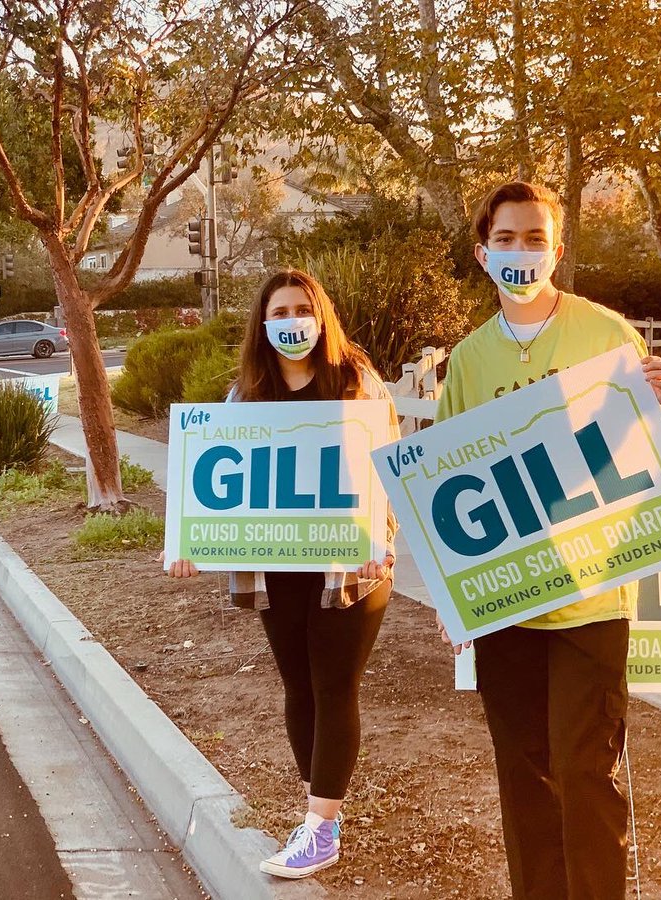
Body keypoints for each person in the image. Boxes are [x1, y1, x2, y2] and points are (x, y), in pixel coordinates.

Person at [435, 181, 661, 900]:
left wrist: (653, 397)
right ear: (482, 254)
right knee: (525, 776)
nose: (520, 251)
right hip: (506, 607)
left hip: (591, 602)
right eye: (505, 239)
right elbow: (445, 481)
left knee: (584, 770)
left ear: (557, 251)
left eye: (535, 238)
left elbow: (644, 457)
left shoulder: (606, 335)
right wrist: (456, 600)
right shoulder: (468, 363)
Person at [167, 269, 398, 880]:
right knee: (298, 688)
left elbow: (390, 466)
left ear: (319, 317)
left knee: (333, 686)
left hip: (350, 569)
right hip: (277, 571)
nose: (292, 321)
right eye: (280, 311)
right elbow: (217, 486)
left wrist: (382, 536)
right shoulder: (245, 399)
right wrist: (191, 542)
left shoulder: (355, 382)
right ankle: (319, 809)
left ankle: (321, 829)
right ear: (262, 324)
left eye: (302, 309)